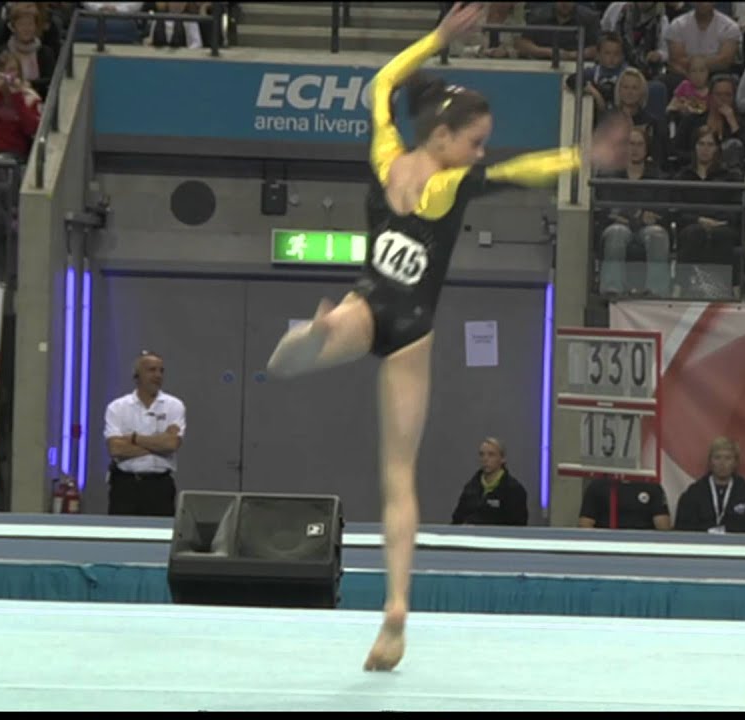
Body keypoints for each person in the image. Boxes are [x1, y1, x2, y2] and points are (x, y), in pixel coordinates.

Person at [263, 2, 627, 673]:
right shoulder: (453, 185)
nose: (481, 153)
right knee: (398, 475)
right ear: (444, 135)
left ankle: (314, 334)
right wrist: (583, 155)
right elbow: (524, 171)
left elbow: (380, 87)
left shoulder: (385, 156)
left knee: (286, 362)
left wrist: (435, 39)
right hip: (414, 331)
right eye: (476, 140)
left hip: (367, 307)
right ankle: (395, 608)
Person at [102, 351, 185, 517]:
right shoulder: (117, 407)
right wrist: (158, 444)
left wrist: (133, 438)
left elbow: (171, 445)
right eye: (151, 370)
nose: (158, 375)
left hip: (159, 486)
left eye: (161, 371)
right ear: (137, 376)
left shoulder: (174, 406)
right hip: (125, 486)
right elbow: (116, 449)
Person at [450, 437, 529, 526]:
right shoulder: (471, 488)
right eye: (482, 455)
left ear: (502, 459)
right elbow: (457, 520)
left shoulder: (514, 490)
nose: (485, 459)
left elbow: (517, 527)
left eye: (491, 455)